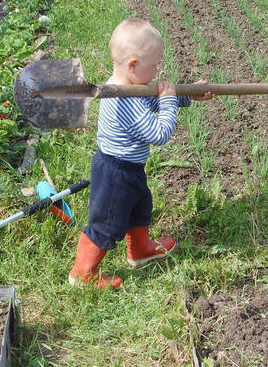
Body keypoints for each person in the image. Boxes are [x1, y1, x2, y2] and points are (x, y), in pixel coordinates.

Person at [68, 18, 213, 288]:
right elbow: (159, 134)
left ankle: (140, 250)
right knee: (107, 223)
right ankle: (82, 273)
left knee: (140, 208)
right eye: (155, 65)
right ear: (133, 64)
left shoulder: (130, 86)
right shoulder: (123, 99)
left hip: (129, 168)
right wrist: (169, 100)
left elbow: (152, 99)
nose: (157, 71)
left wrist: (188, 94)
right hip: (116, 172)